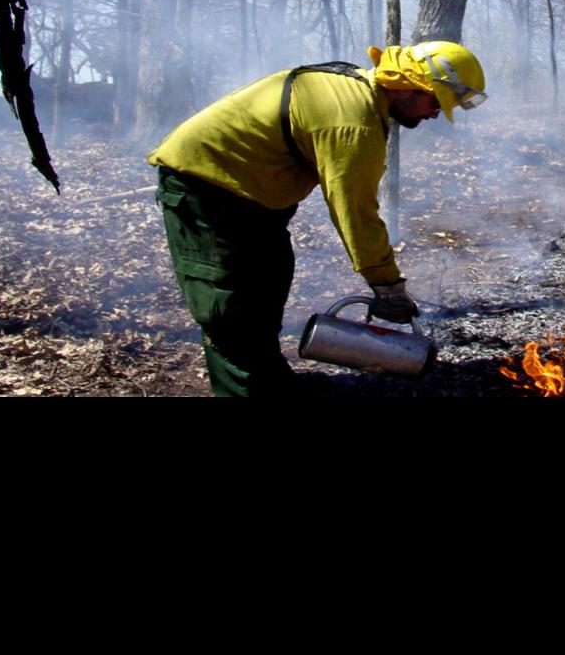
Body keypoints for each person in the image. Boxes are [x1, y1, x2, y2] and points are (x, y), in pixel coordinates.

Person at [145, 41, 487, 396]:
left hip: (252, 196)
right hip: (208, 189)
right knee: (230, 308)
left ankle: (269, 382)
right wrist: (386, 284)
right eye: (434, 101)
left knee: (269, 281)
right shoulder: (353, 123)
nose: (435, 113)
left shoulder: (358, 90)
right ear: (405, 84)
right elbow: (355, 212)